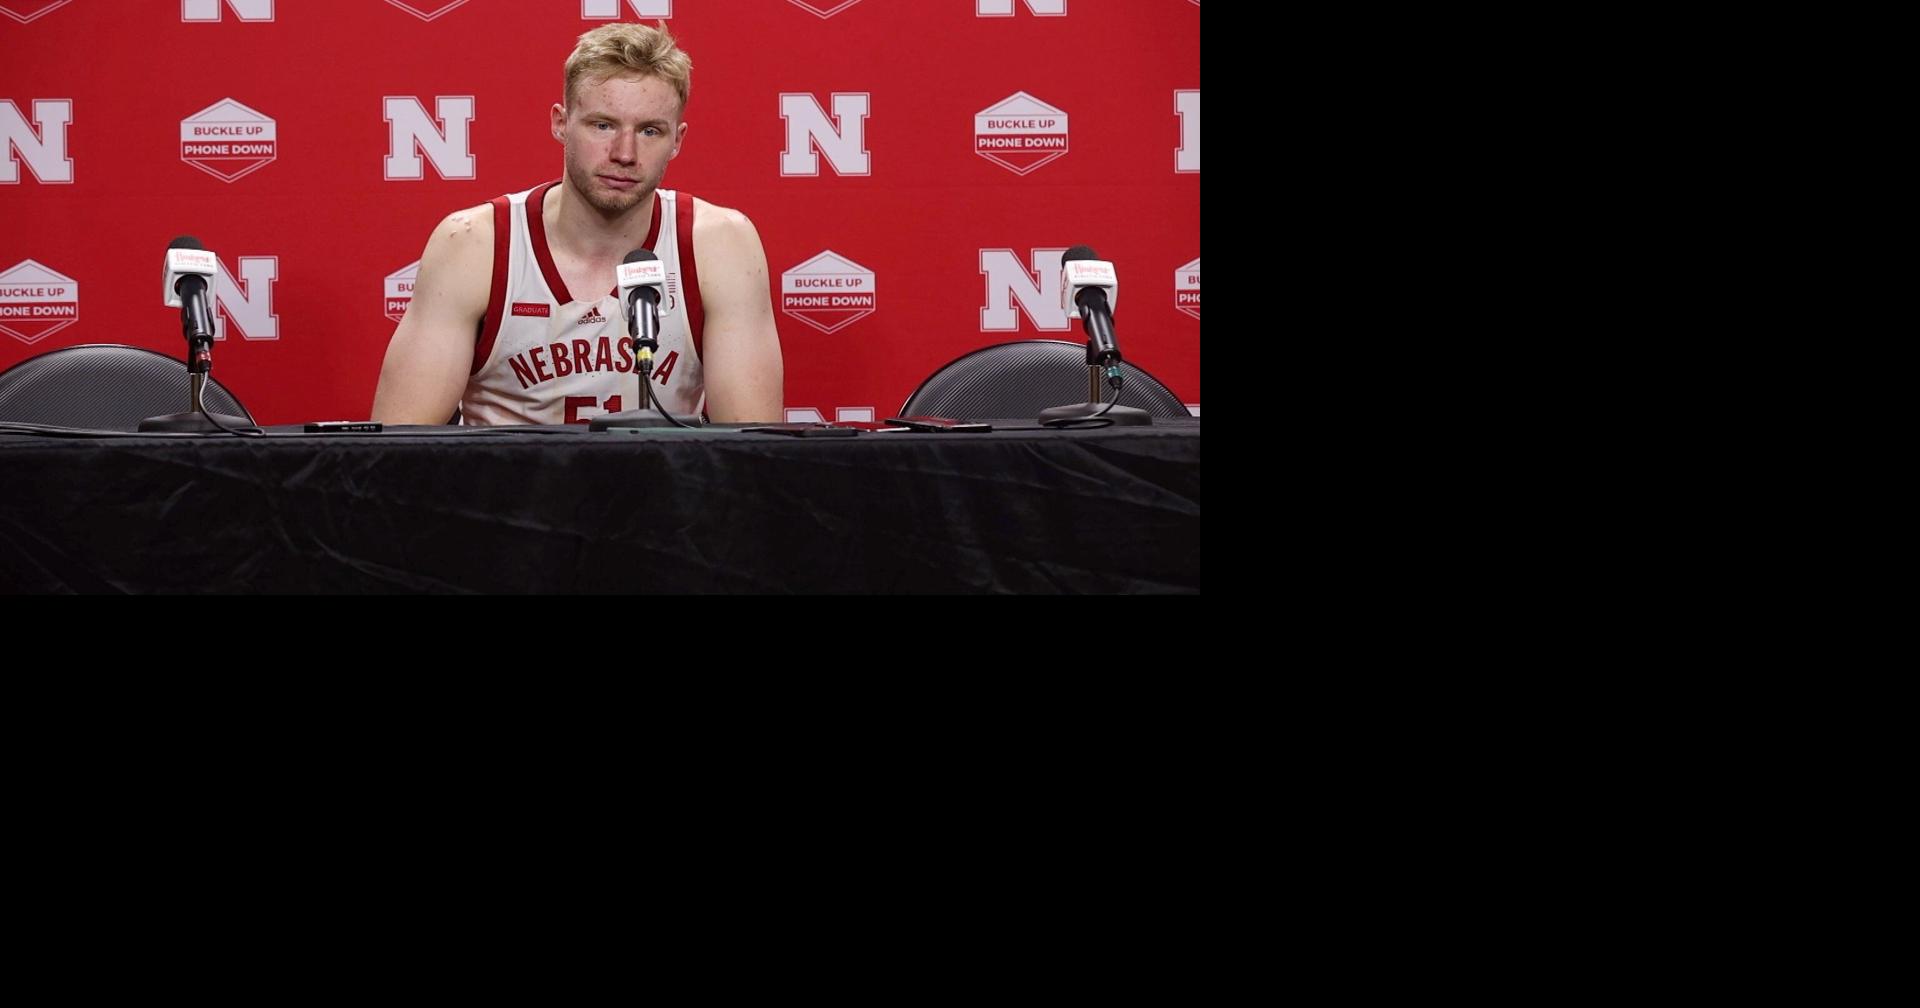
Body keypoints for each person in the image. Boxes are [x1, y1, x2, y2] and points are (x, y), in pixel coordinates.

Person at [371, 22, 783, 426]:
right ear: (561, 123)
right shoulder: (475, 244)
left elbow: (750, 457)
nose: (625, 152)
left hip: (663, 493)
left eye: (650, 130)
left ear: (678, 140)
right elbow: (396, 455)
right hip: (506, 494)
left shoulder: (720, 244)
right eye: (602, 125)